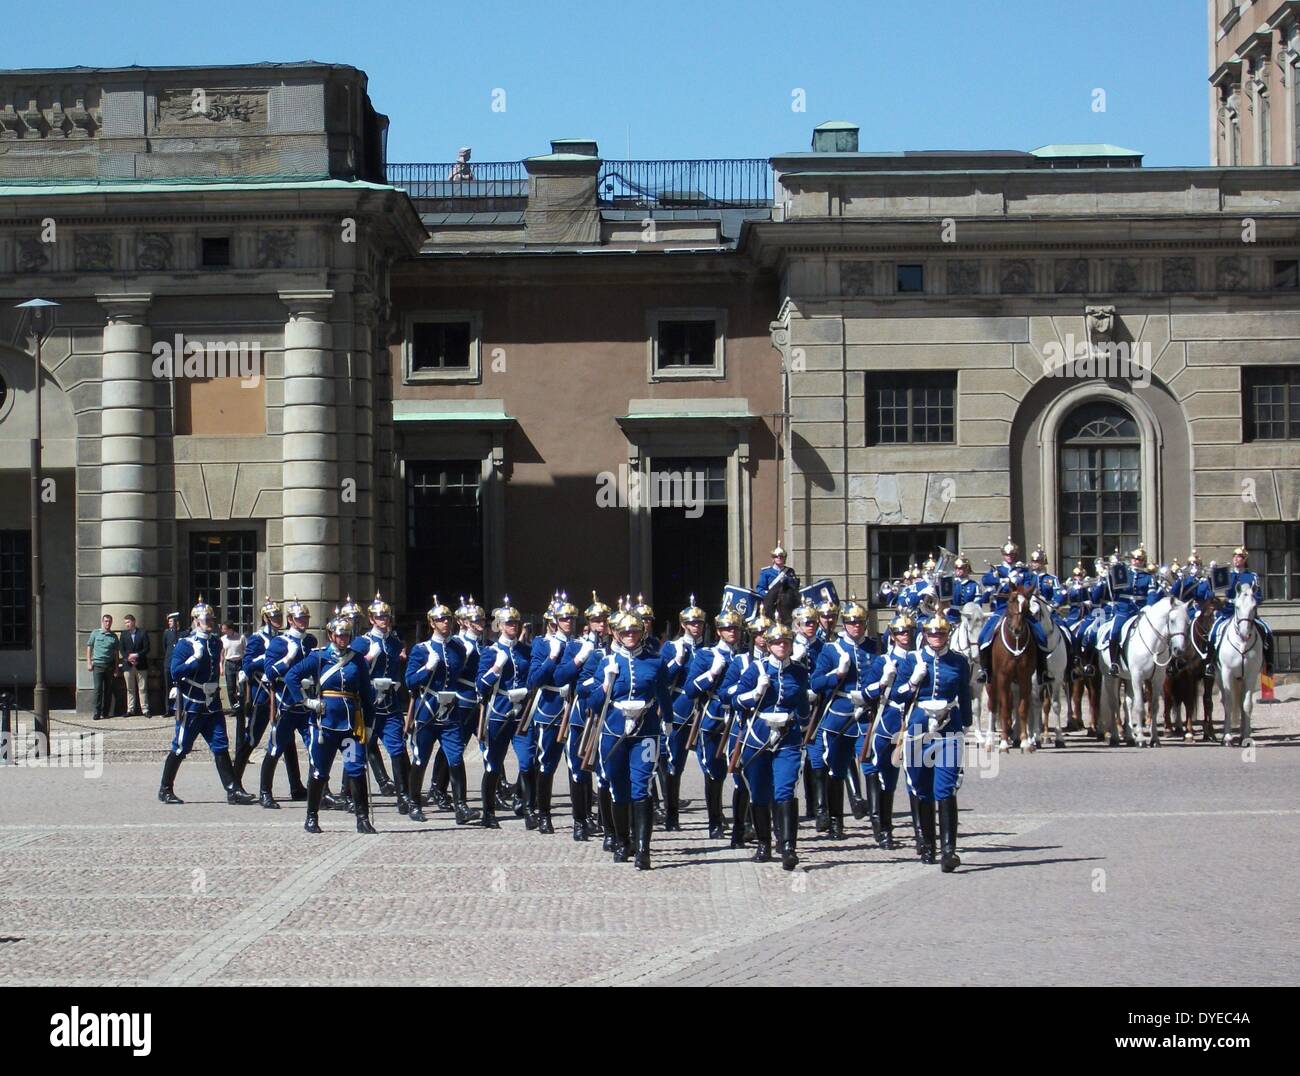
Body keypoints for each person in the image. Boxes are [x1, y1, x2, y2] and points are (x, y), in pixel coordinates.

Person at [586, 609, 671, 869]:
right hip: (614, 732)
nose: (630, 635)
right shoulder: (607, 662)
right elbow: (593, 704)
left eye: (634, 631)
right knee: (618, 788)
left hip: (645, 731)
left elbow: (663, 695)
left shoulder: (655, 662)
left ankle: (643, 849)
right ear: (616, 634)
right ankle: (623, 841)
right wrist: (605, 683)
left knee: (641, 786)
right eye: (625, 632)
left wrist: (668, 721)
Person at [285, 608, 377, 835]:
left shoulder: (357, 661)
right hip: (325, 724)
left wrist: (369, 723)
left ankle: (362, 818)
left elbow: (366, 693)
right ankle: (311, 816)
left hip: (351, 726)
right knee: (320, 771)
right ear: (331, 636)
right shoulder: (319, 658)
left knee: (356, 769)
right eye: (340, 635)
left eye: (347, 635)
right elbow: (291, 676)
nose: (344, 638)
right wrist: (306, 702)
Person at [157, 597, 256, 806]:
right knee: (181, 746)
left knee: (220, 745)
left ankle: (232, 789)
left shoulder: (215, 641)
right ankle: (165, 788)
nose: (210, 623)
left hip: (211, 703)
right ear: (195, 621)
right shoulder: (186, 644)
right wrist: (194, 659)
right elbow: (175, 671)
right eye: (206, 620)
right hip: (192, 703)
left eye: (211, 619)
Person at [732, 615, 811, 870]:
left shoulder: (798, 671)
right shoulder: (756, 669)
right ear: (767, 644)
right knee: (760, 791)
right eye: (776, 642)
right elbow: (735, 701)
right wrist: (755, 693)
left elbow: (802, 707)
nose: (781, 646)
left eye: (785, 642)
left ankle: (788, 847)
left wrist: (801, 719)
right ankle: (763, 843)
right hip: (758, 736)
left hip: (787, 736)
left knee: (785, 789)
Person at [902, 615, 972, 872]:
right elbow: (897, 696)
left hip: (948, 729)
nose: (936, 638)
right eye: (932, 634)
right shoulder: (912, 660)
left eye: (940, 634)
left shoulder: (959, 662)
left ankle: (948, 850)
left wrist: (966, 723)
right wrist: (912, 683)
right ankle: (927, 844)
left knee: (946, 788)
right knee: (922, 787)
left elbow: (964, 693)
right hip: (919, 728)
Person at [809, 598, 876, 841]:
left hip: (865, 711)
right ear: (844, 625)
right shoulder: (831, 650)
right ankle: (836, 821)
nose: (856, 626)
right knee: (835, 768)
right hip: (839, 713)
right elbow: (815, 683)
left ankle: (879, 823)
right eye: (851, 622)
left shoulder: (872, 646)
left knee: (870, 763)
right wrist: (836, 675)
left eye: (859, 622)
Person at [526, 593, 590, 835]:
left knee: (576, 765)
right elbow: (534, 679)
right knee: (546, 764)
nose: (568, 622)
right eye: (564, 619)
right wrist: (552, 658)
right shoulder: (542, 644)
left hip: (572, 707)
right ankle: (543, 814)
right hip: (549, 707)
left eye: (571, 619)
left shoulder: (578, 645)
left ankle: (580, 821)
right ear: (554, 620)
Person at [680, 608, 742, 840]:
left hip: (738, 719)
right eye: (727, 628)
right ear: (718, 631)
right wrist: (712, 673)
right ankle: (715, 821)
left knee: (741, 772)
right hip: (713, 719)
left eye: (734, 628)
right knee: (714, 774)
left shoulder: (744, 656)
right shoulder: (706, 655)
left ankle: (742, 822)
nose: (731, 632)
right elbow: (689, 689)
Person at [262, 599, 329, 810]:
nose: (303, 622)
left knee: (315, 748)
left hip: (307, 704)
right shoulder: (279, 643)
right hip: (287, 704)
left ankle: (321, 792)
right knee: (276, 748)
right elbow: (269, 673)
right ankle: (265, 792)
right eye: (299, 618)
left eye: (305, 618)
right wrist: (288, 658)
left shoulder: (309, 640)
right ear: (290, 620)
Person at [861, 613, 919, 849]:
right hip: (889, 720)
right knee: (886, 776)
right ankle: (883, 826)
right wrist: (882, 682)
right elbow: (866, 693)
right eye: (901, 632)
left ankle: (921, 832)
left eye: (909, 632)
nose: (905, 636)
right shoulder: (882, 661)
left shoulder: (918, 658)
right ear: (892, 636)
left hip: (915, 720)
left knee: (917, 776)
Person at [475, 598, 533, 829]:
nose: (514, 627)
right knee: (493, 764)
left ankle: (528, 808)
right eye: (509, 623)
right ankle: (488, 812)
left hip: (521, 716)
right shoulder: (490, 652)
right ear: (499, 625)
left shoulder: (524, 651)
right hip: (499, 714)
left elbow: (531, 677)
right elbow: (480, 686)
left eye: (516, 623)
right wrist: (496, 667)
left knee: (528, 762)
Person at [356, 592, 410, 813]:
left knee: (397, 748)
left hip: (390, 703)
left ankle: (404, 796)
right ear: (371, 619)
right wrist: (368, 659)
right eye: (379, 617)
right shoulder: (363, 642)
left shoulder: (395, 643)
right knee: (359, 748)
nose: (383, 619)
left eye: (386, 616)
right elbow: (352, 671)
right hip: (368, 704)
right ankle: (350, 794)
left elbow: (397, 670)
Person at [659, 595, 705, 831]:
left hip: (703, 709)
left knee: (710, 762)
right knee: (673, 763)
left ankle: (715, 817)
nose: (696, 627)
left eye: (699, 623)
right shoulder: (671, 647)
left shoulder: (707, 650)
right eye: (692, 623)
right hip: (680, 708)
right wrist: (676, 662)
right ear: (684, 625)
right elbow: (661, 680)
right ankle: (671, 813)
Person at [570, 593, 611, 842]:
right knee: (579, 769)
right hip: (583, 714)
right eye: (597, 620)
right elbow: (568, 678)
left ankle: (606, 822)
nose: (601, 624)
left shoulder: (613, 649)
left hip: (606, 715)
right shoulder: (577, 646)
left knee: (604, 771)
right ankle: (580, 821)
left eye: (605, 620)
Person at [85, 613, 119, 721]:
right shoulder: (95, 633)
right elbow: (89, 647)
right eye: (106, 621)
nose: (107, 623)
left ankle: (105, 712)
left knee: (108, 690)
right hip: (98, 665)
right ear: (102, 622)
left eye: (109, 621)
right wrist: (89, 662)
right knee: (98, 689)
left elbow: (116, 653)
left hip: (109, 665)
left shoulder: (113, 636)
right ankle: (96, 712)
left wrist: (116, 668)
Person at [120, 614, 152, 717]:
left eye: (128, 622)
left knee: (142, 688)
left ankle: (145, 710)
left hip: (141, 664)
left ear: (134, 622)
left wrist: (137, 655)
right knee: (130, 689)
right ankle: (130, 709)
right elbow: (122, 649)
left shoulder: (142, 633)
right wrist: (128, 657)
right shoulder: (123, 634)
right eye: (125, 623)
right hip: (128, 665)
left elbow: (147, 648)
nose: (127, 625)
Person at [220, 622, 246, 744]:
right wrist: (221, 667)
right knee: (230, 688)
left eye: (225, 629)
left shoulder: (240, 637)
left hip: (239, 662)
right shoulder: (223, 639)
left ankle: (243, 707)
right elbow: (221, 655)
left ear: (230, 629)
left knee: (242, 687)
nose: (223, 631)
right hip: (229, 663)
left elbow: (245, 651)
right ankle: (234, 707)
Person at [161, 613, 182, 717]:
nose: (169, 623)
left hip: (179, 664)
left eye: (171, 621)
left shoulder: (181, 633)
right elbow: (165, 647)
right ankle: (168, 709)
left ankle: (179, 707)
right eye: (168, 621)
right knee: (168, 687)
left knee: (179, 686)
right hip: (168, 664)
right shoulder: (166, 633)